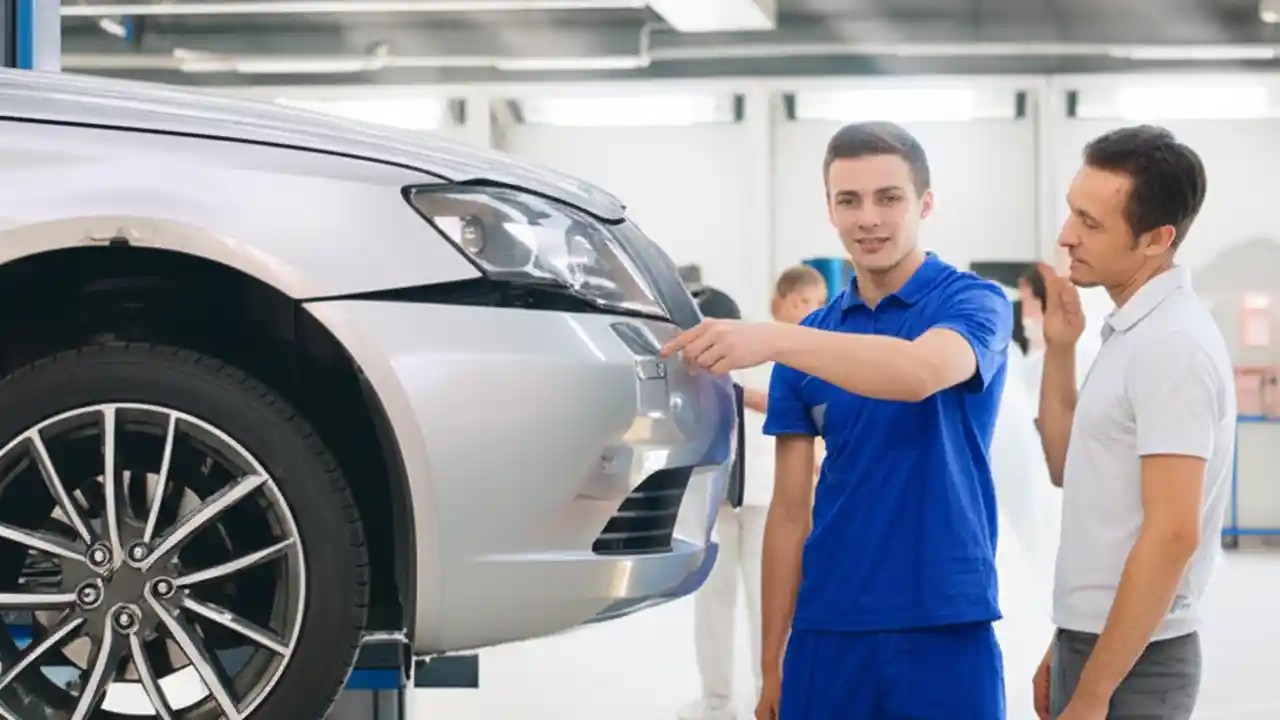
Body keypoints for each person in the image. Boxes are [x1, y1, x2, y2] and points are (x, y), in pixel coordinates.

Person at [659, 121, 1014, 720]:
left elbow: (919, 373)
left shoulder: (973, 302)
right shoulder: (809, 342)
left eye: (889, 198)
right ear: (830, 210)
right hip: (828, 623)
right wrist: (771, 664)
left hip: (945, 614)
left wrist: (777, 339)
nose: (868, 218)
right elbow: (790, 514)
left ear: (925, 203)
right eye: (849, 200)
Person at [1031, 125, 1235, 720]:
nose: (1067, 236)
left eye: (1091, 223)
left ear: (1156, 239)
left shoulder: (1171, 346)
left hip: (1138, 664)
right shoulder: (1132, 332)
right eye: (1073, 212)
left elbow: (1172, 534)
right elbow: (1069, 469)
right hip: (1098, 642)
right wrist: (1061, 351)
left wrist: (1094, 692)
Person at [679, 265, 828, 720]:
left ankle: (773, 696)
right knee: (712, 603)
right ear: (777, 300)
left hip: (768, 496)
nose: (807, 311)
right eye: (800, 301)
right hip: (715, 498)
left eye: (814, 303)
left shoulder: (797, 355)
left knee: (769, 601)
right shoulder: (732, 355)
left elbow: (810, 416)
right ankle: (717, 703)